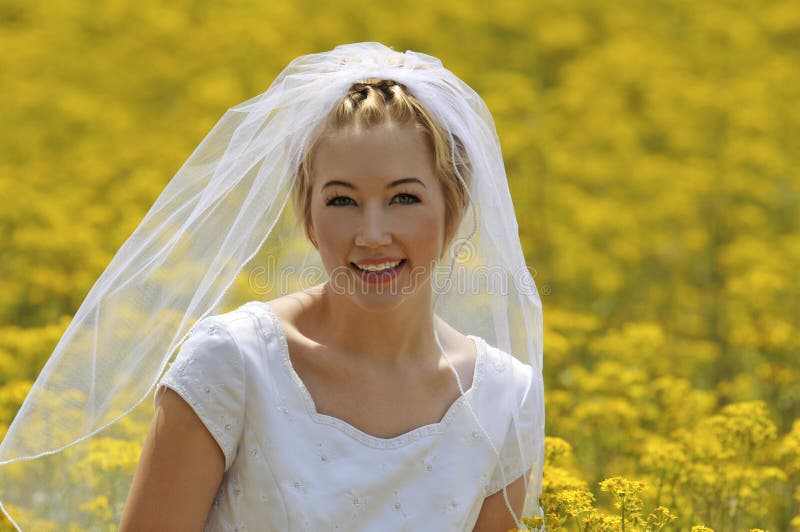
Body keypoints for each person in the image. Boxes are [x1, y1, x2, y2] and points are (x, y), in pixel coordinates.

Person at [0, 43, 544, 531]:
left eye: (404, 198)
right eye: (341, 200)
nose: (372, 234)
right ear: (308, 217)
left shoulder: (504, 400)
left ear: (455, 207)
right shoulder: (232, 363)